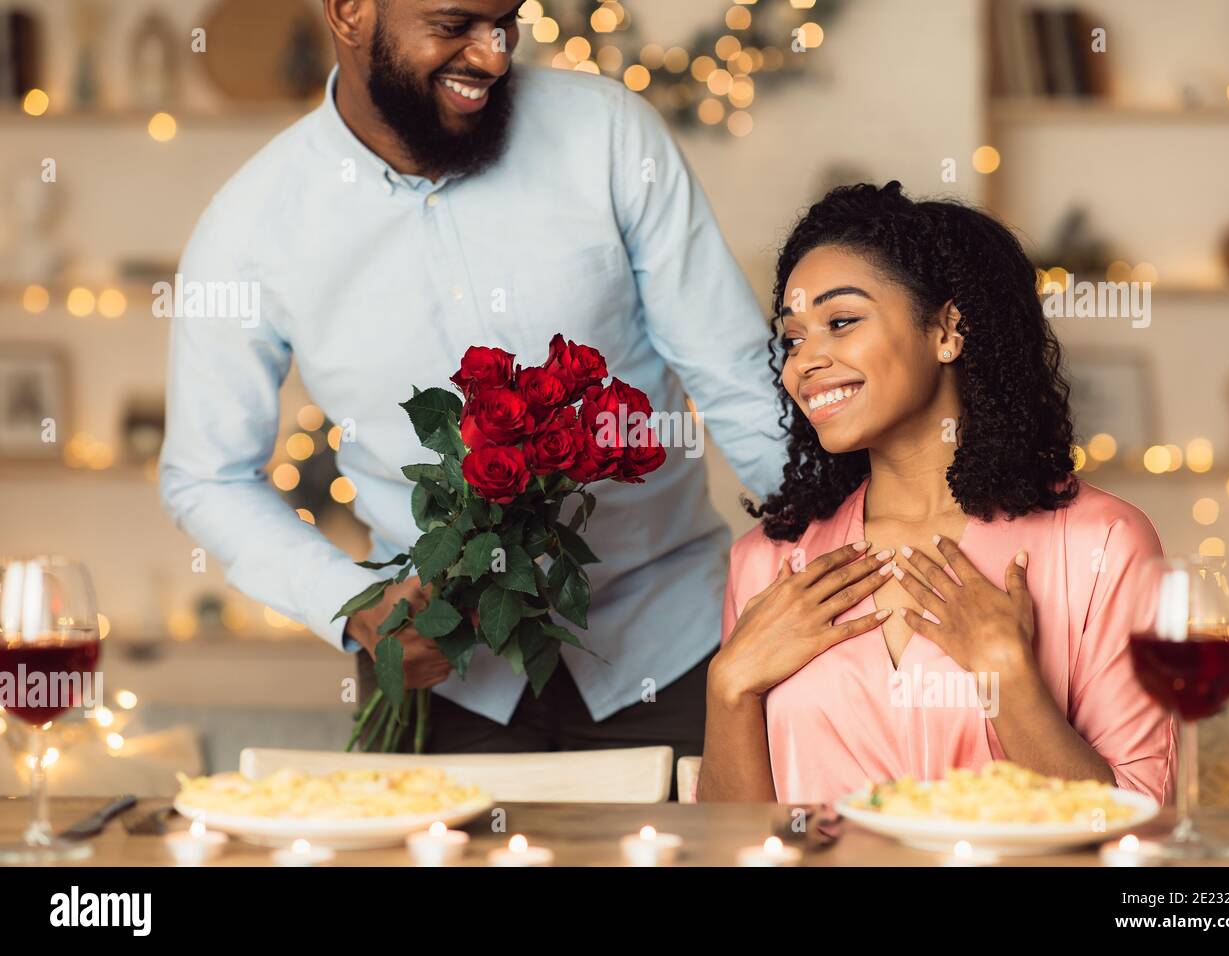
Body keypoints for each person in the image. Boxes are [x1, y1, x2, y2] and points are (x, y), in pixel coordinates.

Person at [159, 0, 782, 771]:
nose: (491, 56)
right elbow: (207, 476)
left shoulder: (610, 135)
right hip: (439, 676)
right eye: (455, 25)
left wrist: (853, 548)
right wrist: (352, 610)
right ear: (350, 12)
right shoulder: (248, 228)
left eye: (505, 21)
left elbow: (740, 381)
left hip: (674, 646)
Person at [698, 182, 1176, 804]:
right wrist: (729, 686)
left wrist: (1007, 674)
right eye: (793, 337)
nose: (802, 364)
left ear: (949, 330)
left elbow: (1140, 823)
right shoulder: (766, 560)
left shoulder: (1102, 546)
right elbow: (732, 847)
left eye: (840, 322)